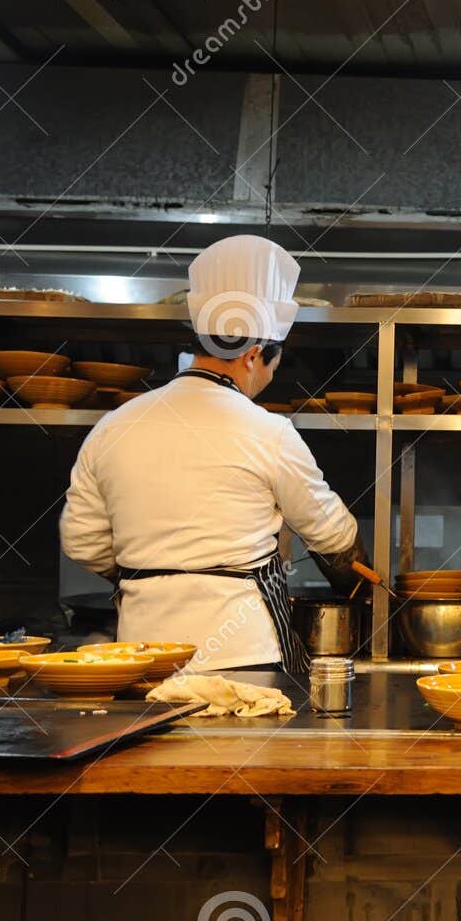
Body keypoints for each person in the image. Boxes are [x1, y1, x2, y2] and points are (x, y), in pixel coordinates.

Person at [60, 235, 365, 675]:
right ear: (253, 354)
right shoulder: (267, 431)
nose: (268, 377)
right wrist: (361, 588)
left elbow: (82, 542)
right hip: (242, 656)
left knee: (154, 745)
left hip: (143, 656)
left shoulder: (114, 425)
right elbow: (334, 539)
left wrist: (157, 577)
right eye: (271, 366)